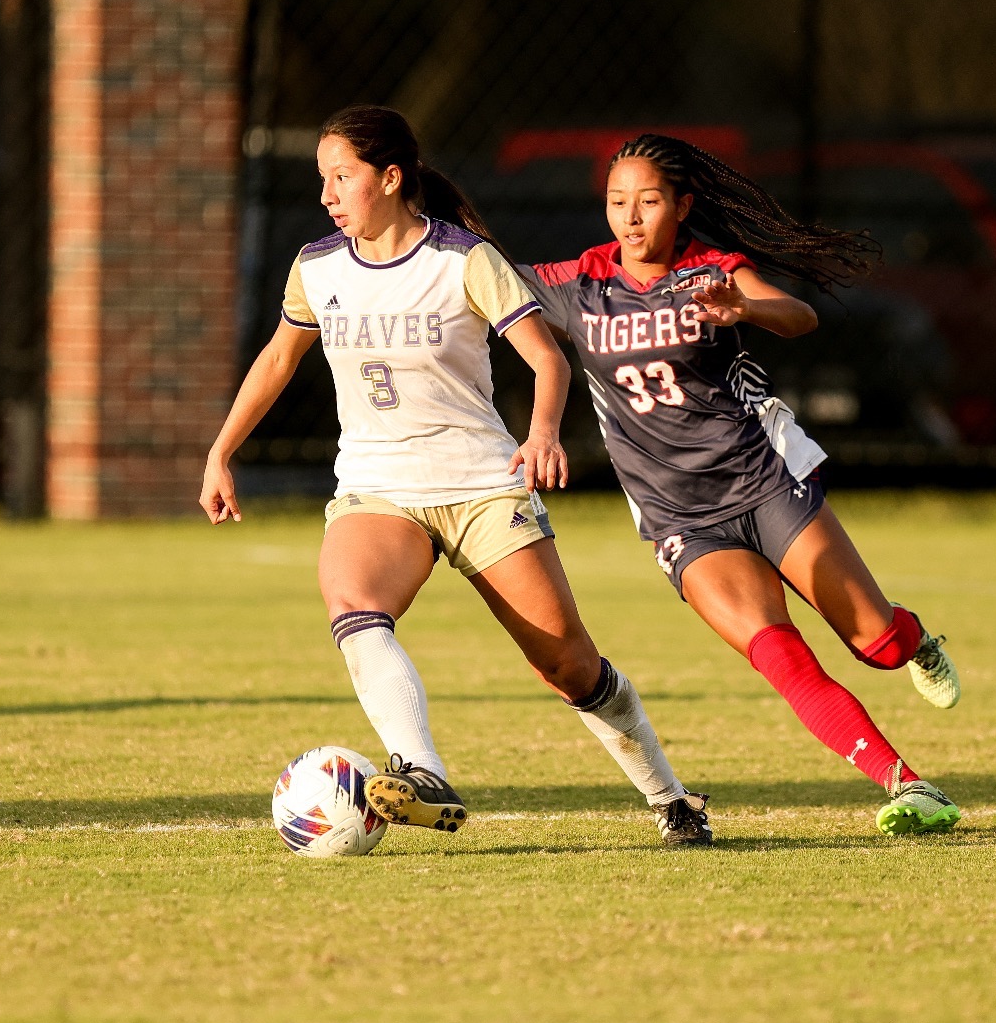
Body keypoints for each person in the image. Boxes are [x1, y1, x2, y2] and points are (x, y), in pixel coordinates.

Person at [200, 106, 714, 846]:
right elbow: (279, 357)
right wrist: (221, 451)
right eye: (322, 178)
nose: (327, 195)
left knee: (568, 665)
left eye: (341, 176)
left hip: (480, 485)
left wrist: (541, 434)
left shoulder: (463, 259)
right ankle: (422, 772)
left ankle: (671, 798)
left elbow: (548, 359)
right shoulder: (318, 266)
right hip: (378, 486)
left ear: (390, 177)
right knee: (353, 606)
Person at [520, 133, 963, 836]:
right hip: (681, 520)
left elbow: (799, 315)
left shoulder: (712, 270)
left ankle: (916, 640)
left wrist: (744, 308)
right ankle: (907, 785)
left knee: (877, 643)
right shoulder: (580, 282)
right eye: (616, 201)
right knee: (781, 654)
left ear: (683, 206)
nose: (630, 216)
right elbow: (475, 278)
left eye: (648, 201)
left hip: (762, 483)